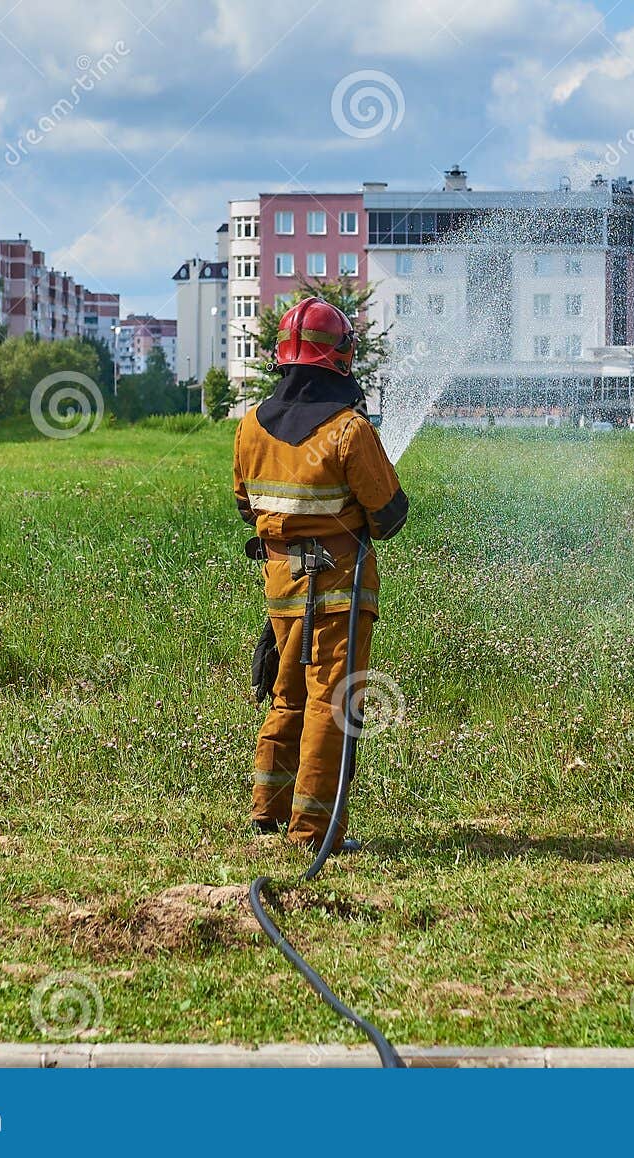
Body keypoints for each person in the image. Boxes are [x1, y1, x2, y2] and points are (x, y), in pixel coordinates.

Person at [233, 298, 409, 851]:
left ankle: (268, 810)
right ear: (340, 358)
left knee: (286, 695)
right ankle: (314, 831)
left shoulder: (250, 428)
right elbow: (388, 516)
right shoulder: (348, 431)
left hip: (282, 588)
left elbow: (247, 508)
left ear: (285, 360)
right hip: (338, 590)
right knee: (329, 704)